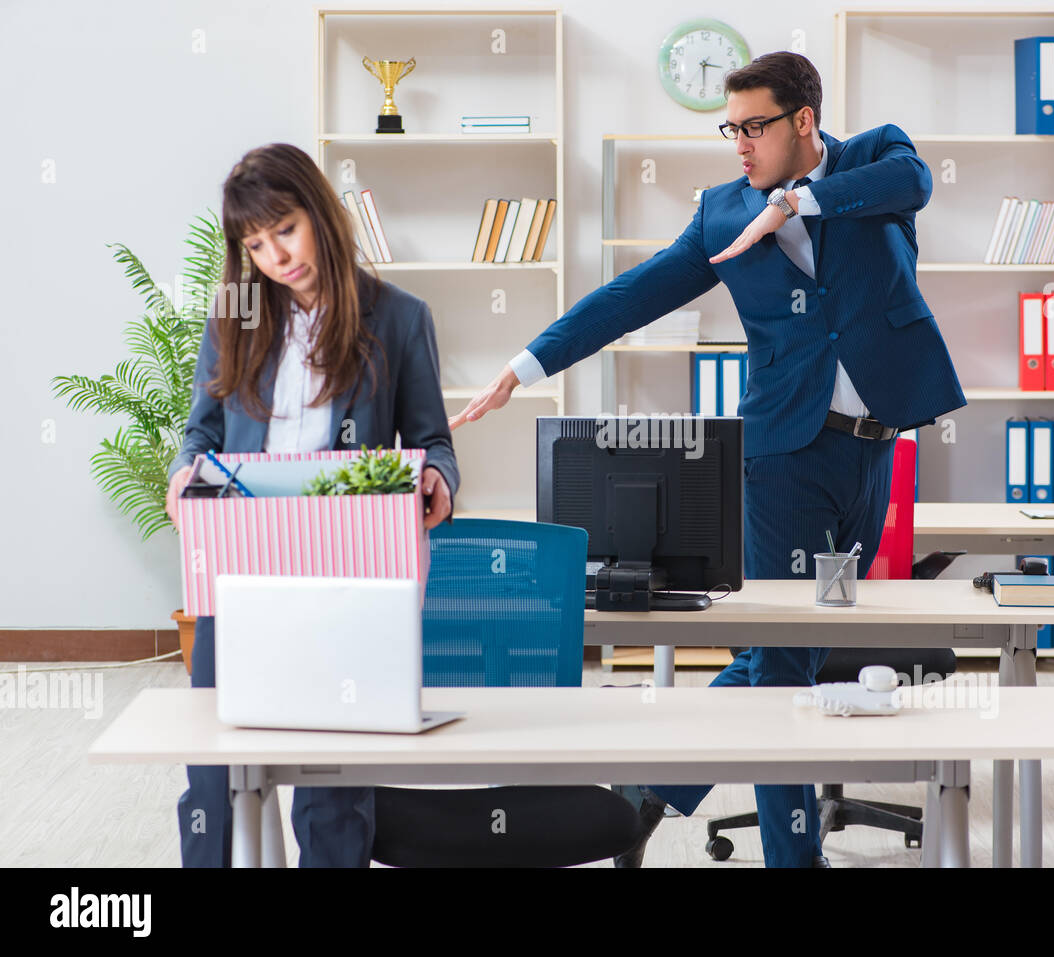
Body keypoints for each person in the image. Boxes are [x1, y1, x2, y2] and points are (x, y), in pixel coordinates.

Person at [451, 52, 966, 867]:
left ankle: (646, 792)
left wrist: (798, 202)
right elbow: (631, 295)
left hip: (873, 455)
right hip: (782, 459)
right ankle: (793, 857)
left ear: (804, 120)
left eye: (755, 126)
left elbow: (914, 183)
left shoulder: (876, 159)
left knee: (785, 653)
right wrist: (524, 367)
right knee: (784, 660)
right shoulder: (721, 214)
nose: (740, 145)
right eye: (731, 128)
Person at [163, 142, 459, 867]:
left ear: (320, 215)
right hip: (241, 579)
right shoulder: (231, 319)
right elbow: (201, 429)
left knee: (333, 788)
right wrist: (181, 472)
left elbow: (433, 442)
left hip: (350, 582)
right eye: (256, 245)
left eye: (285, 231)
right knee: (214, 777)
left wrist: (437, 483)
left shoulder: (399, 317)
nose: (275, 256)